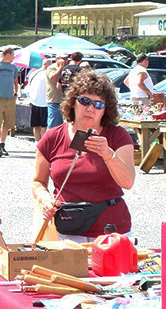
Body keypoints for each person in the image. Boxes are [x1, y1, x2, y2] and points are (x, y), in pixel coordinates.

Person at [33, 71, 135, 241]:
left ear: (105, 110)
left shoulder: (118, 136)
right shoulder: (53, 137)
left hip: (111, 229)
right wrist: (46, 200)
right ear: (73, 102)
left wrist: (108, 154)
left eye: (98, 105)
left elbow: (128, 182)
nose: (90, 109)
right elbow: (37, 182)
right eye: (85, 101)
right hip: (67, 227)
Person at [28, 59, 52, 142]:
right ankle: (42, 143)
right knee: (44, 125)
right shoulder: (48, 74)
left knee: (36, 125)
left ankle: (37, 142)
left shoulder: (34, 73)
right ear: (49, 65)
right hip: (44, 102)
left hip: (34, 101)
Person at [46, 56, 66, 128]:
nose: (64, 60)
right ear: (57, 59)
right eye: (63, 58)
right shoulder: (51, 68)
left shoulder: (67, 68)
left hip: (64, 99)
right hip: (54, 99)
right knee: (54, 124)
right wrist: (60, 67)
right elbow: (54, 79)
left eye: (66, 58)